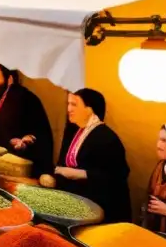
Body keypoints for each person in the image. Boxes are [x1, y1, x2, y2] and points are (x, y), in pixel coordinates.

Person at [53, 88, 131, 224]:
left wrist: (82, 174)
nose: (69, 109)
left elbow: (118, 175)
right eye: (68, 104)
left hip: (100, 208)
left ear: (89, 109)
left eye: (74, 104)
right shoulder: (75, 132)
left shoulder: (106, 137)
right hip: (75, 202)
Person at [0, 63, 54, 174]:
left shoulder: (27, 98)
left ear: (9, 77)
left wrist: (27, 141)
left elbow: (41, 136)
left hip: (21, 163)